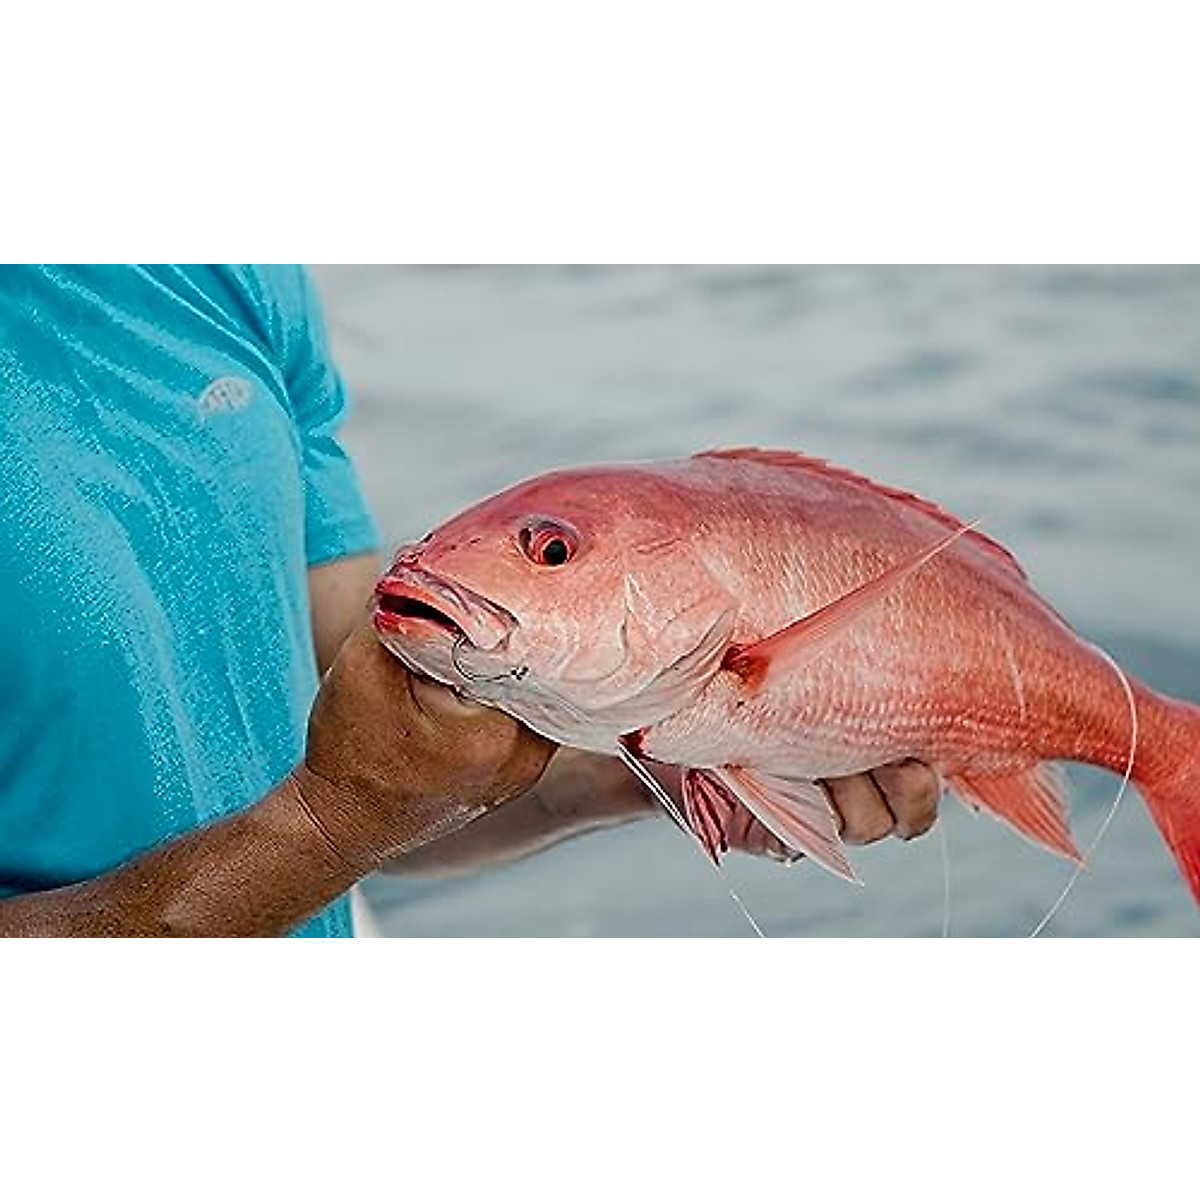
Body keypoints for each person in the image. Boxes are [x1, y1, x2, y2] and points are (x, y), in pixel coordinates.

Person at [0, 265, 941, 937]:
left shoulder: (229, 269)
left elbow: (365, 756)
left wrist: (646, 760)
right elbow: (342, 804)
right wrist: (331, 824)